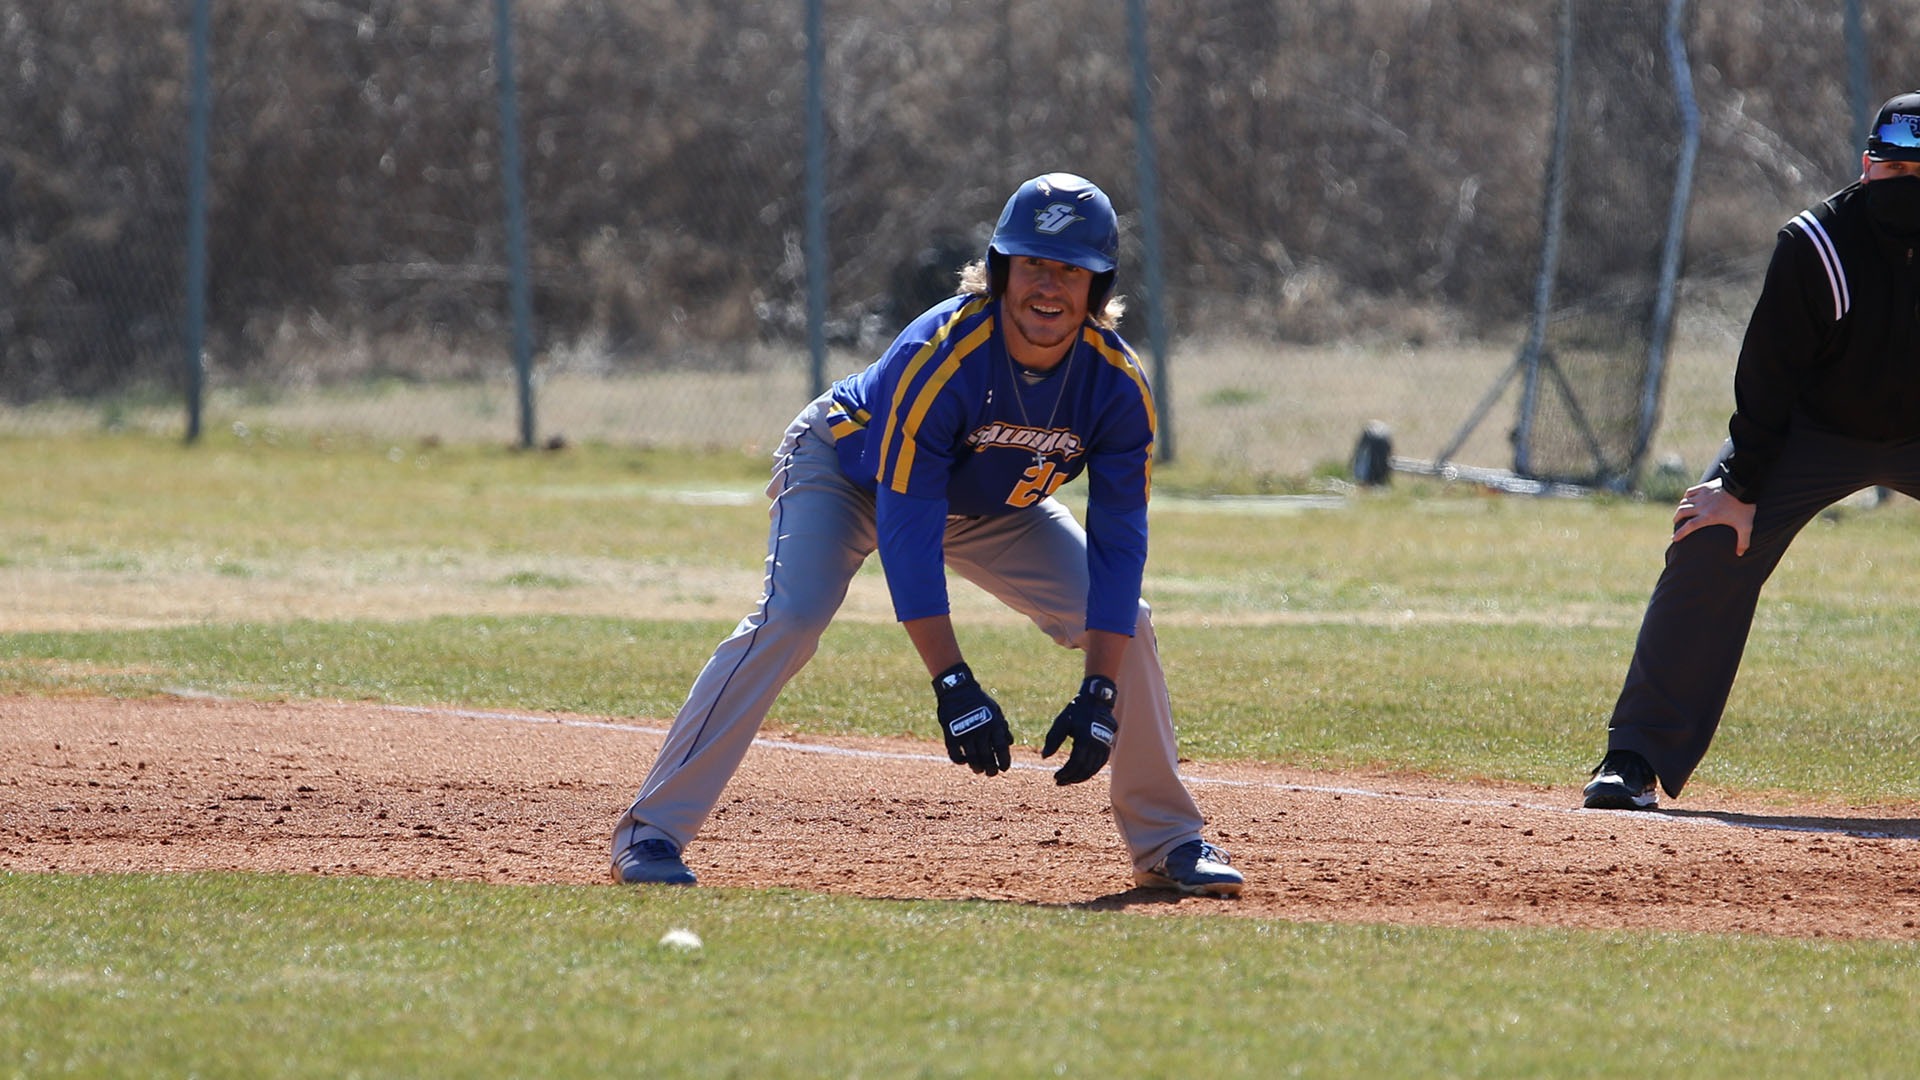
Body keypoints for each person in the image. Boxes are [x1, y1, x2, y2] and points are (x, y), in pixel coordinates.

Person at [610, 173, 1244, 896]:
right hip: (849, 472)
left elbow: (1120, 541)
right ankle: (650, 833)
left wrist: (1100, 688)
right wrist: (952, 680)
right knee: (790, 618)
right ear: (1000, 269)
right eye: (1032, 263)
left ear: (1098, 286)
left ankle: (1169, 842)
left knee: (1127, 623)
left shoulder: (1116, 385)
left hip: (995, 507)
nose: (1048, 286)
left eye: (1070, 269)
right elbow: (908, 531)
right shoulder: (942, 353)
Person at [1583, 92, 1920, 810]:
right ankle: (1636, 755)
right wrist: (1737, 488)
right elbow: (1769, 378)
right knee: (1709, 535)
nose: (1908, 188)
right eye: (1896, 172)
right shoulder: (1817, 246)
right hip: (1813, 432)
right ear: (1867, 167)